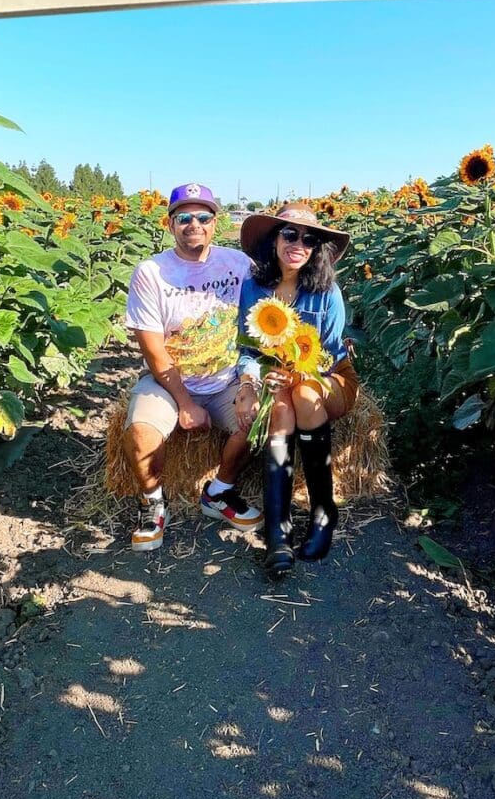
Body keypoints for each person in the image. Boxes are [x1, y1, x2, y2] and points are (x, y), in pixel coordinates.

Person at [123, 183, 263, 551]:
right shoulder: (151, 272)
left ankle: (220, 492)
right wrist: (185, 403)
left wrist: (253, 381)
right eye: (184, 217)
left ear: (216, 223)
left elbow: (265, 313)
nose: (194, 224)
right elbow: (153, 349)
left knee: (261, 420)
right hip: (169, 382)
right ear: (170, 224)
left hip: (226, 377)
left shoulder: (239, 265)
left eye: (203, 216)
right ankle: (153, 504)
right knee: (140, 430)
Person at [235, 202, 358, 579]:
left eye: (310, 238)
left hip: (327, 376)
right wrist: (251, 382)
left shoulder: (327, 291)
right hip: (278, 380)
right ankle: (278, 530)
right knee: (282, 408)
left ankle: (323, 513)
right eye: (290, 234)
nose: (299, 243)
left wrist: (296, 373)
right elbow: (248, 349)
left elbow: (330, 353)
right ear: (274, 240)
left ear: (317, 248)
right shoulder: (254, 288)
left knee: (303, 394)